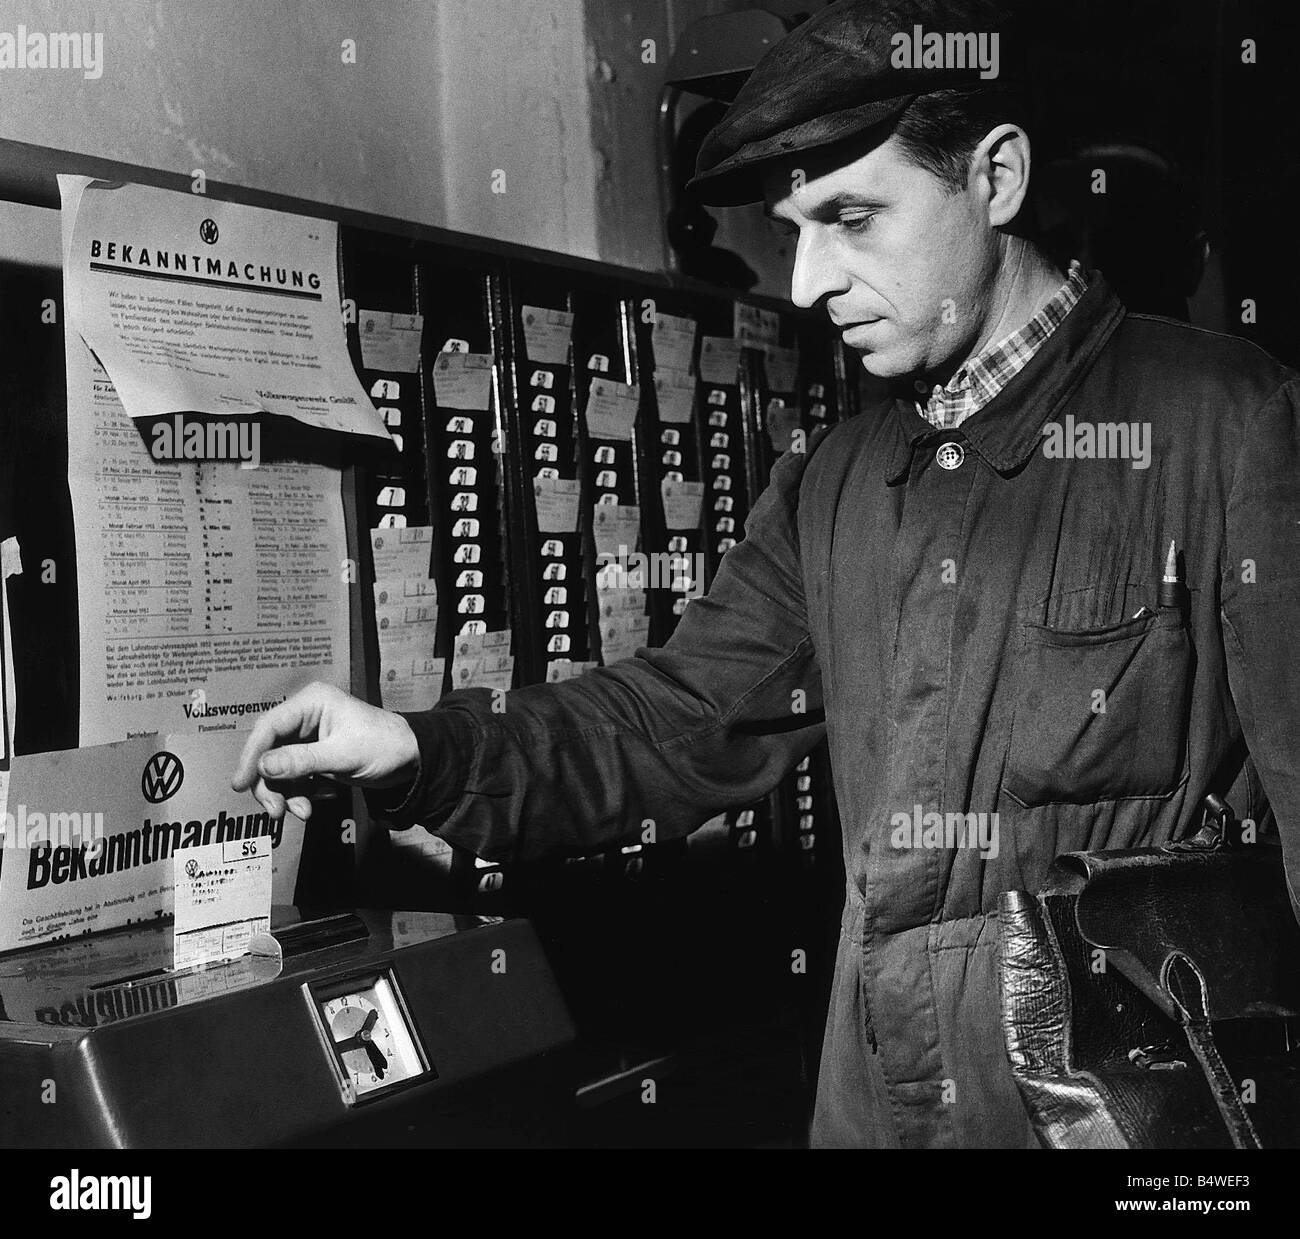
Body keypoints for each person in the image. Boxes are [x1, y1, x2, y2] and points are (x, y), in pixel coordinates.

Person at [233, 0, 1299, 1148]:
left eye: (849, 218)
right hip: (876, 1112)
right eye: (793, 228)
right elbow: (682, 716)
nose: (804, 283)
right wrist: (423, 752)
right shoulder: (836, 478)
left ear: (995, 179)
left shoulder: (1222, 422)